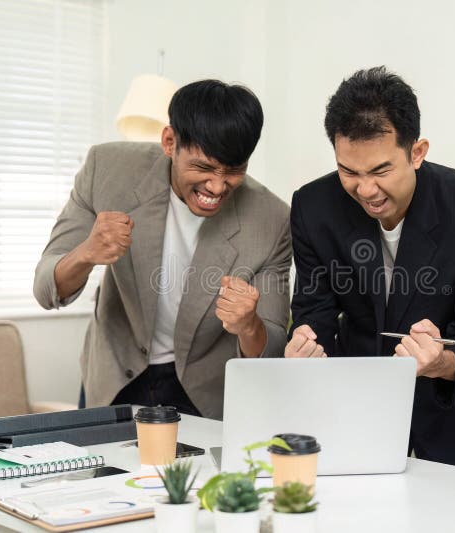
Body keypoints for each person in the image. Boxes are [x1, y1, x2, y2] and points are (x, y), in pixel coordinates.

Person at [285, 66, 455, 472]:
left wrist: (439, 362)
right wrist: (305, 345)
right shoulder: (313, 207)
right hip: (357, 412)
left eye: (381, 171)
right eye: (348, 171)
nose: (365, 190)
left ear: (417, 152)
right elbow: (314, 313)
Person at [34, 80, 290, 419]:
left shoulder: (272, 220)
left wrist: (249, 325)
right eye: (203, 168)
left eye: (233, 171)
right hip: (113, 377)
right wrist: (86, 253)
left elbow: (272, 351)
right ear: (169, 142)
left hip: (203, 394)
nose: (217, 186)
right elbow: (46, 290)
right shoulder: (107, 169)